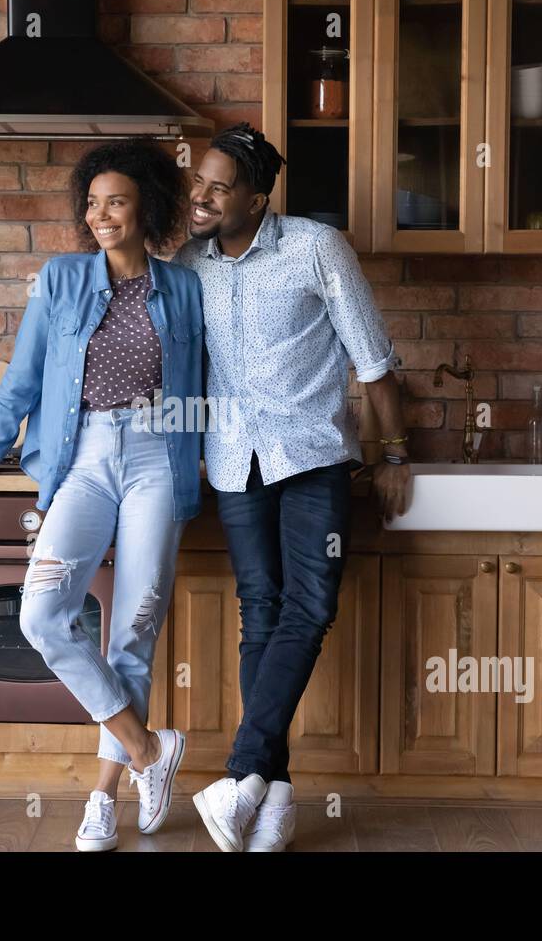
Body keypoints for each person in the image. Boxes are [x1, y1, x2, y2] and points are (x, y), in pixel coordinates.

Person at [0, 139, 204, 853]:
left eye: (118, 201)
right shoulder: (62, 278)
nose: (100, 214)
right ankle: (148, 750)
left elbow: (208, 386)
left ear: (148, 208)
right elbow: (23, 375)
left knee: (133, 630)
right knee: (43, 616)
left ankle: (102, 798)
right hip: (82, 461)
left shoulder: (186, 288)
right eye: (93, 202)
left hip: (159, 458)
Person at [176, 123, 411, 852]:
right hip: (232, 461)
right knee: (262, 611)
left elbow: (371, 360)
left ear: (259, 195)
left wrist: (395, 451)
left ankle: (243, 772)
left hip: (313, 458)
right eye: (198, 183)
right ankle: (269, 794)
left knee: (309, 606)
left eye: (220, 186)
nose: (203, 197)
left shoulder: (315, 246)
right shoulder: (191, 262)